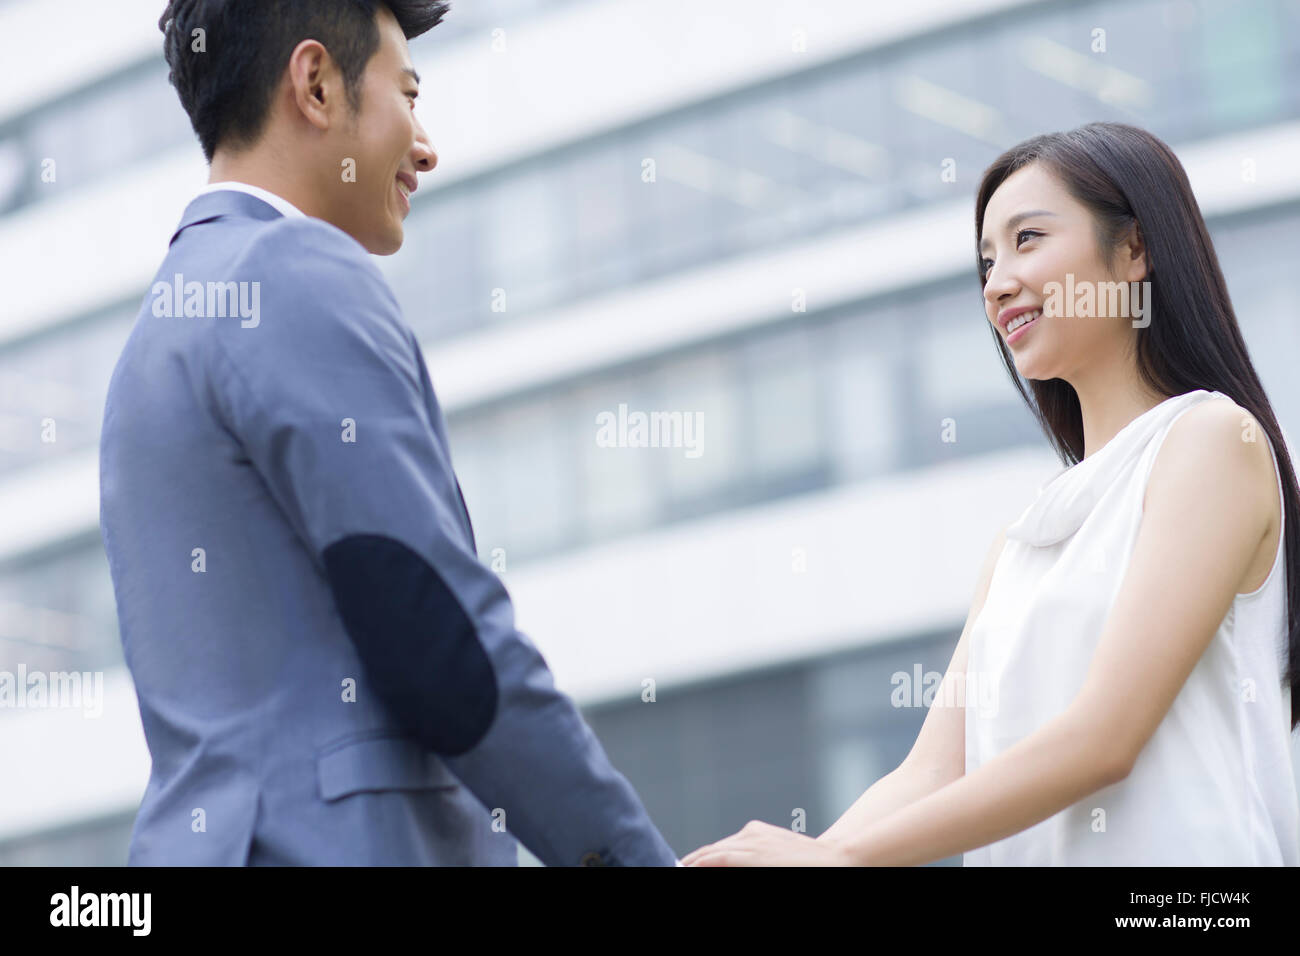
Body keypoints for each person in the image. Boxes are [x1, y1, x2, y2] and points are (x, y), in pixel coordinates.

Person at [99, 0, 678, 866]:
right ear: (316, 85)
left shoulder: (153, 339)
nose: (426, 145)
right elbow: (438, 641)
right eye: (407, 93)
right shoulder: (294, 269)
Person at [683, 122, 1300, 866]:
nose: (998, 281)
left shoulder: (1209, 441)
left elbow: (1105, 737)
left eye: (1028, 239)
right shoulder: (1021, 544)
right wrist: (798, 856)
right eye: (986, 260)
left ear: (1134, 249)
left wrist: (841, 862)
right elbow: (936, 770)